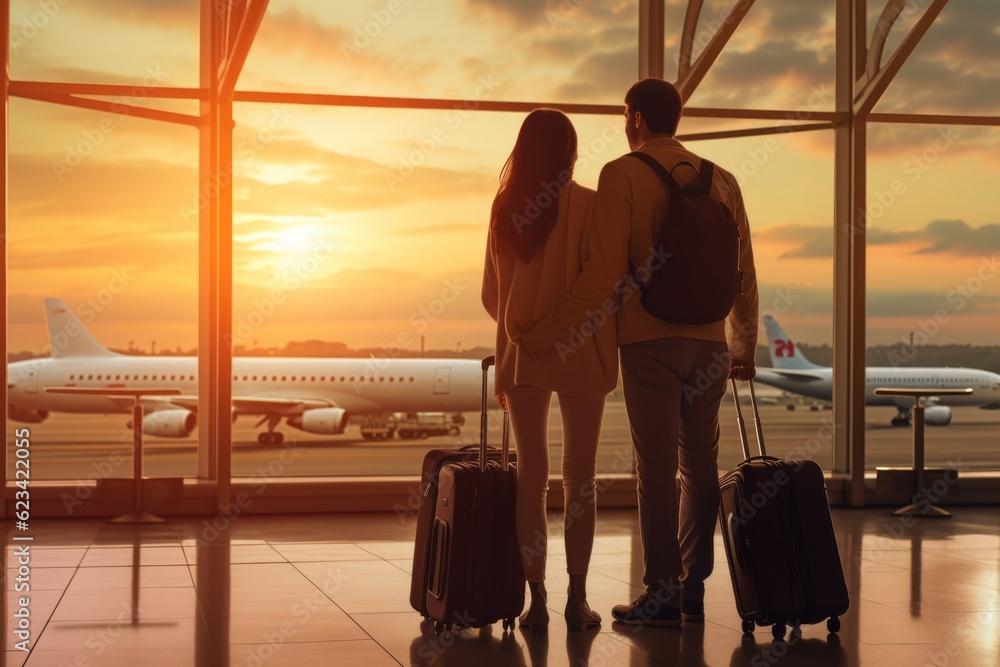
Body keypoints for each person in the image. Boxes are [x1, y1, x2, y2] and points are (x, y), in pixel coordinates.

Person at [520, 79, 759, 627]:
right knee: (700, 465)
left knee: (656, 468)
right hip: (710, 343)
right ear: (676, 117)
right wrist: (743, 342)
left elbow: (601, 275)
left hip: (649, 341)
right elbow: (743, 268)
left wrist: (547, 332)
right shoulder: (723, 179)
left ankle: (661, 590)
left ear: (634, 118)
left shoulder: (621, 174)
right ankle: (694, 586)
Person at [482, 109, 619, 633]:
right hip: (584, 355)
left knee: (531, 480)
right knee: (579, 480)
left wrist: (526, 326)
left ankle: (535, 600)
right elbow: (605, 284)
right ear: (570, 150)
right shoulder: (592, 206)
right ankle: (576, 599)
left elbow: (490, 295)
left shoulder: (505, 209)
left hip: (523, 357)